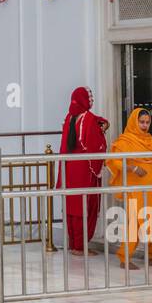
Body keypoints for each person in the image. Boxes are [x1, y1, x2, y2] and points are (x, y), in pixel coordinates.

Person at [106, 108, 152, 270]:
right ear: (134, 121)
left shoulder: (149, 139)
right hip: (136, 187)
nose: (145, 125)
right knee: (135, 222)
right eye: (142, 122)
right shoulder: (125, 140)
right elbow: (116, 161)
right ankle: (125, 257)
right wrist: (132, 168)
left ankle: (151, 254)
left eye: (147, 122)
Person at [56, 87, 109, 253]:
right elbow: (96, 145)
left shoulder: (70, 117)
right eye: (90, 96)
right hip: (85, 169)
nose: (92, 99)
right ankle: (80, 247)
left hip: (70, 169)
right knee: (87, 206)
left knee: (73, 207)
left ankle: (74, 244)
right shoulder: (88, 119)